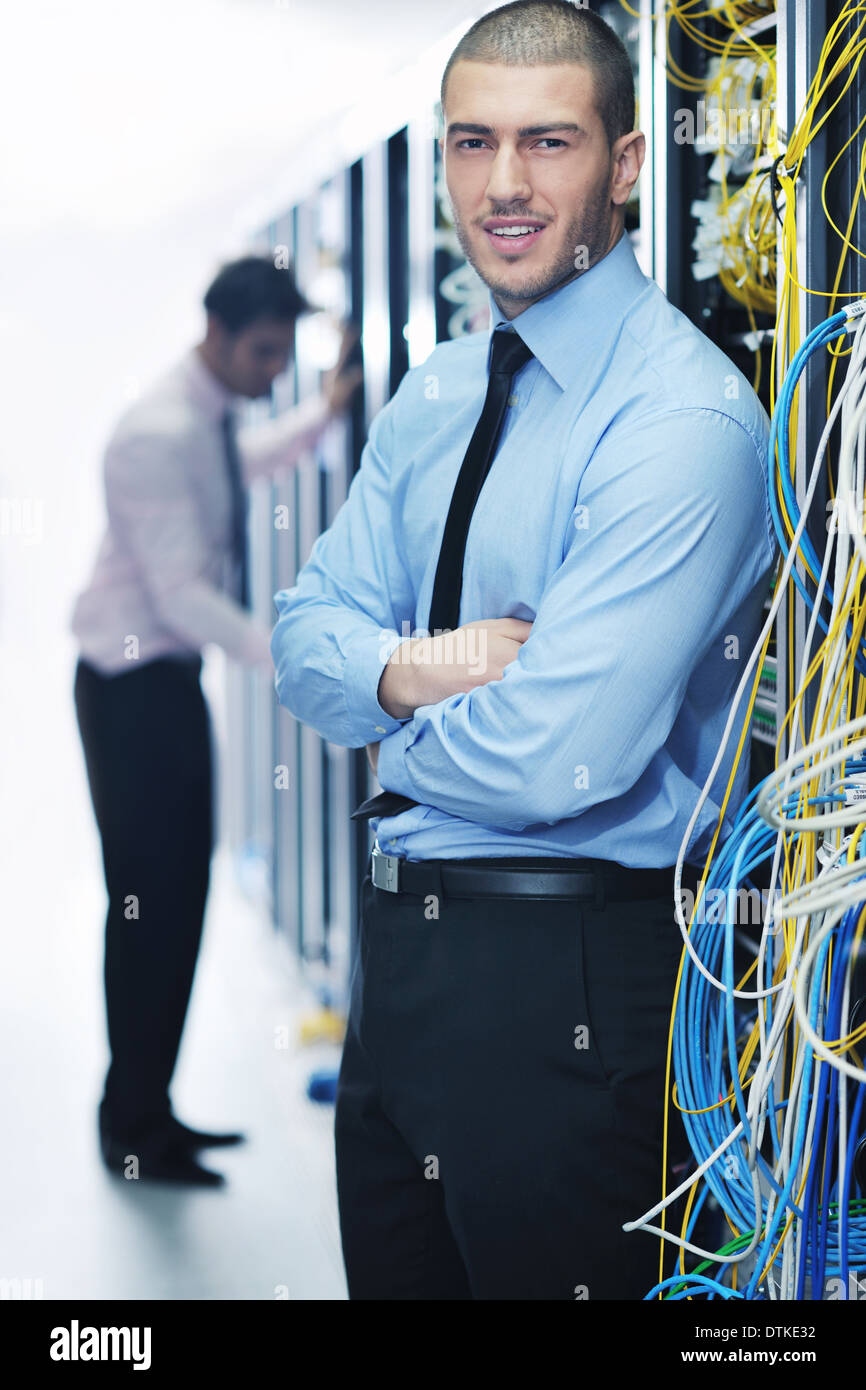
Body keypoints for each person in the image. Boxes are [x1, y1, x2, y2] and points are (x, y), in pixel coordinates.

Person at [271, 0, 777, 1298]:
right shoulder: (437, 391)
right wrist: (437, 665)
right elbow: (299, 641)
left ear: (624, 164)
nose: (502, 185)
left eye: (547, 142)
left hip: (570, 986)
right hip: (403, 972)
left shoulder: (680, 419)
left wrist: (380, 716)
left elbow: (557, 757)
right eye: (471, 142)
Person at [71, 256, 361, 1187]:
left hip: (160, 686)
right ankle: (131, 1127)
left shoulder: (204, 420)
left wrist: (322, 412)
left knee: (174, 905)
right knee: (149, 909)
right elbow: (182, 598)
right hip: (133, 690)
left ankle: (148, 1111)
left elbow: (242, 464)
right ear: (217, 334)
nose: (273, 371)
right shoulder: (156, 434)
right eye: (265, 353)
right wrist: (296, 654)